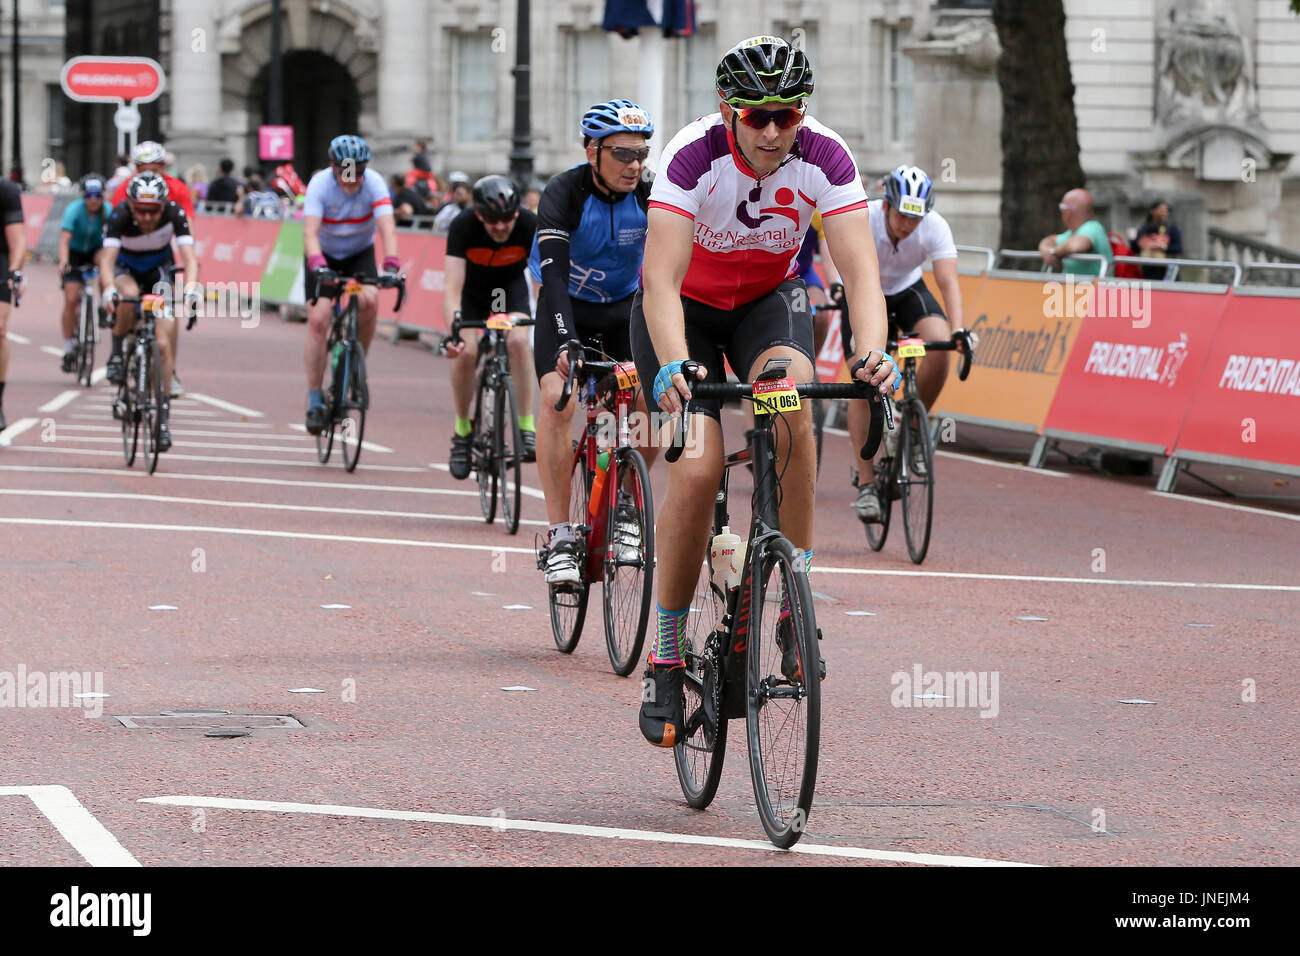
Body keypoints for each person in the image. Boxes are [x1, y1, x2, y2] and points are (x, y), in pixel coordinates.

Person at [632, 35, 897, 747]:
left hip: (765, 308)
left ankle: (791, 606)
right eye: (758, 117)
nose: (775, 131)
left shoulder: (826, 156)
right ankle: (663, 654)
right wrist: (673, 365)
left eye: (788, 115)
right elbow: (658, 280)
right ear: (728, 111)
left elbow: (861, 273)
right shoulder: (691, 157)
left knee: (789, 408)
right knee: (696, 466)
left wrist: (873, 354)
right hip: (682, 311)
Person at [530, 99, 656, 584]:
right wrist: (565, 343)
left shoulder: (649, 193)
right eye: (623, 154)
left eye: (641, 153)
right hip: (569, 306)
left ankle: (625, 507)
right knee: (558, 400)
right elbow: (554, 279)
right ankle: (561, 534)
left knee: (653, 397)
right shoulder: (564, 192)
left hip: (624, 309)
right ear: (592, 151)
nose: (635, 165)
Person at [842, 164, 973, 522]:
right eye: (902, 215)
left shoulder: (935, 226)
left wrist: (959, 330)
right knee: (863, 379)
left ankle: (914, 427)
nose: (908, 225)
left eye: (915, 219)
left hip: (907, 290)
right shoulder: (863, 217)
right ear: (886, 204)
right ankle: (866, 482)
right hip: (864, 292)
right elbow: (832, 251)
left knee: (940, 343)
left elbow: (947, 281)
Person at [301, 134, 401, 435]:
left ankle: (357, 365)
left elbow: (387, 226)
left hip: (359, 253)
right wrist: (318, 263)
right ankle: (315, 397)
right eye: (345, 173)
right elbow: (309, 233)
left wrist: (392, 262)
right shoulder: (319, 184)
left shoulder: (374, 183)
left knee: (370, 301)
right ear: (333, 168)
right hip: (325, 254)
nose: (351, 180)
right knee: (318, 319)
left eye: (357, 172)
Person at [441, 175, 539, 475]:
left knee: (519, 342)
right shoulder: (463, 226)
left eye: (506, 220)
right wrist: (454, 332)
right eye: (492, 220)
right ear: (479, 214)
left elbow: (542, 281)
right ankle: (462, 430)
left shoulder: (528, 224)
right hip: (472, 294)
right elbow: (452, 289)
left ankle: (525, 426)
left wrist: (548, 316)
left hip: (509, 292)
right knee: (467, 352)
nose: (500, 227)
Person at [99, 172, 201, 454]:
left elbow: (189, 258)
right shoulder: (119, 214)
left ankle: (163, 421)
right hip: (126, 269)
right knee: (128, 296)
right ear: (131, 205)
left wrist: (191, 289)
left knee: (164, 342)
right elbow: (107, 260)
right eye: (140, 211)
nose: (146, 217)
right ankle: (118, 354)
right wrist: (108, 289)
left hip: (158, 272)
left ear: (162, 205)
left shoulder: (174, 212)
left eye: (152, 211)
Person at [56, 174, 109, 372]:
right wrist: (63, 262)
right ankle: (69, 348)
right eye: (89, 195)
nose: (93, 199)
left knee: (106, 265)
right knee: (71, 299)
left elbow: (112, 242)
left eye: (97, 195)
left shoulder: (108, 210)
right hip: (75, 253)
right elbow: (64, 239)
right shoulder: (74, 210)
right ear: (83, 196)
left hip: (95, 250)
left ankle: (104, 304)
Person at [1037, 187, 1111, 277]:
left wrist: (1053, 252)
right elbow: (1050, 240)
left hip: (1094, 289)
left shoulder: (1092, 227)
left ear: (1069, 212)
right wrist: (1045, 248)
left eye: (1062, 208)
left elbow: (1077, 246)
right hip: (1075, 289)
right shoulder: (1073, 232)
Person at [0, 176, 25, 432]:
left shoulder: (6, 190)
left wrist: (15, 271)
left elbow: (18, 240)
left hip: (0, 259)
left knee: (0, 329)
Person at [1134, 198, 1183, 280]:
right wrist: (1142, 244)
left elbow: (1178, 248)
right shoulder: (1144, 228)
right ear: (1152, 211)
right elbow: (1136, 247)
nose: (1164, 212)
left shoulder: (1171, 228)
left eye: (1165, 210)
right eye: (1160, 209)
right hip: (1149, 269)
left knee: (1169, 290)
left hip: (1168, 268)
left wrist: (1163, 248)